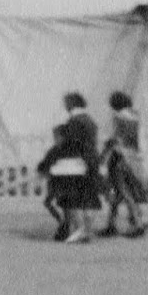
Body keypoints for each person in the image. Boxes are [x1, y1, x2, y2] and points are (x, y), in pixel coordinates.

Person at [36, 91, 100, 243]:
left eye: (66, 103)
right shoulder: (90, 121)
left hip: (76, 164)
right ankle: (82, 230)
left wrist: (49, 163)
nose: (64, 106)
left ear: (72, 104)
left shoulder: (75, 122)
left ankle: (76, 229)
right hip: (90, 162)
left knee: (71, 197)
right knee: (86, 198)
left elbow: (69, 145)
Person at [101, 90, 148, 238]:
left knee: (121, 191)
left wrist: (103, 156)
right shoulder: (136, 118)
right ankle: (112, 223)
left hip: (119, 158)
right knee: (123, 191)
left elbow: (113, 140)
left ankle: (136, 223)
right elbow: (140, 142)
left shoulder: (117, 118)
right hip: (133, 159)